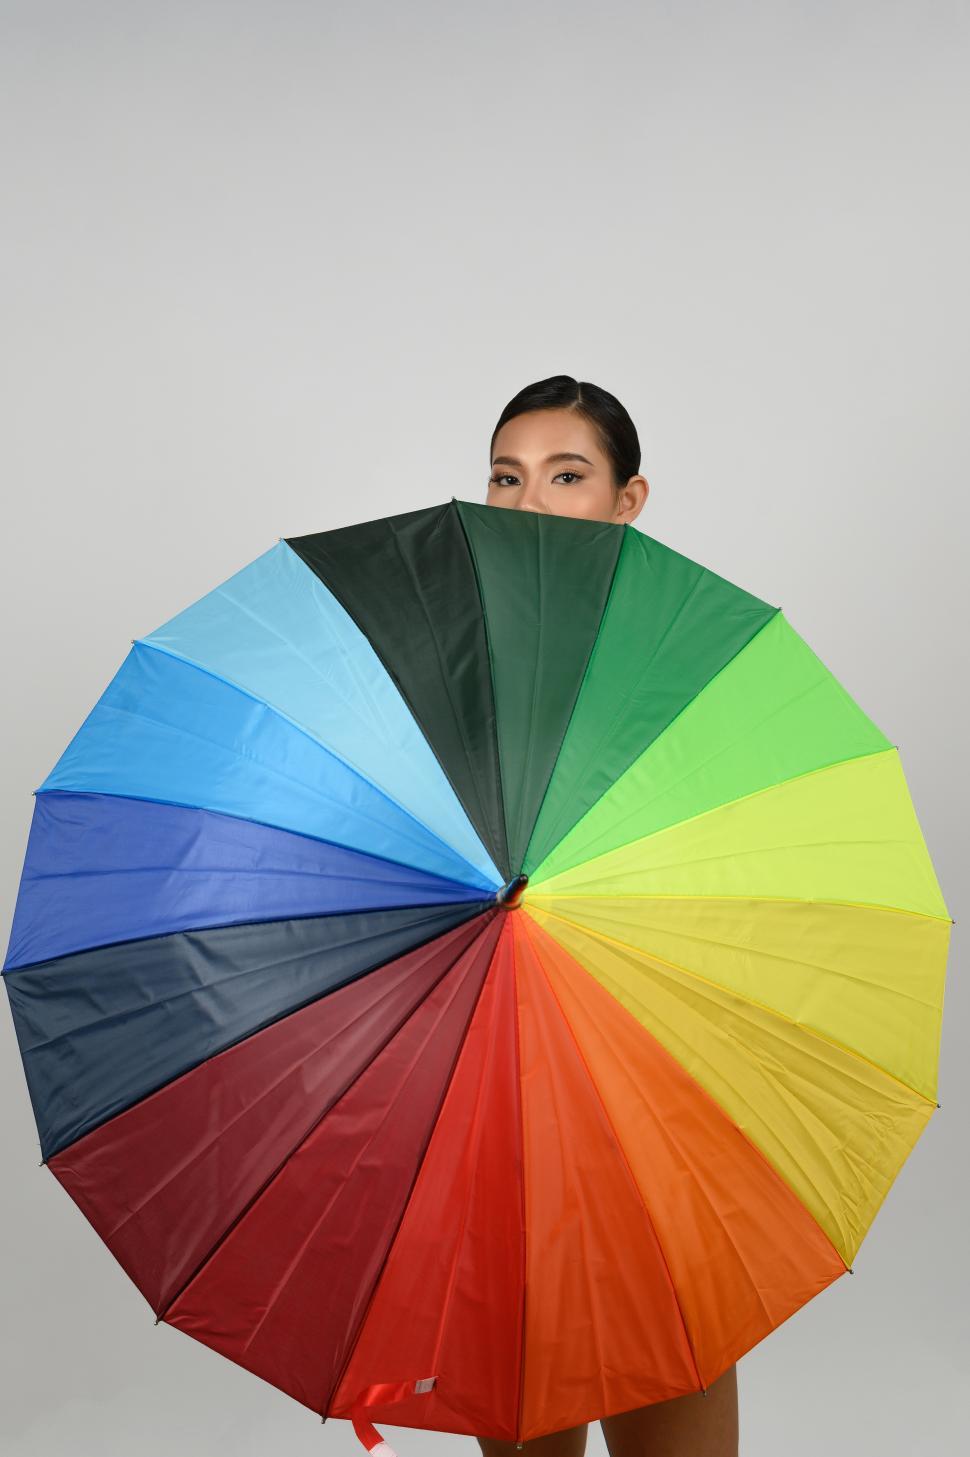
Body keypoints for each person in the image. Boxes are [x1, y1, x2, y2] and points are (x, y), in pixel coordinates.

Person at [476, 375, 740, 1457]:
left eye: (565, 476)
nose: (529, 503)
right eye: (506, 477)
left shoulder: (690, 664)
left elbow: (731, 866)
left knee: (668, 1349)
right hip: (496, 1066)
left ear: (628, 501)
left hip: (654, 1065)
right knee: (519, 1368)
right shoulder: (452, 662)